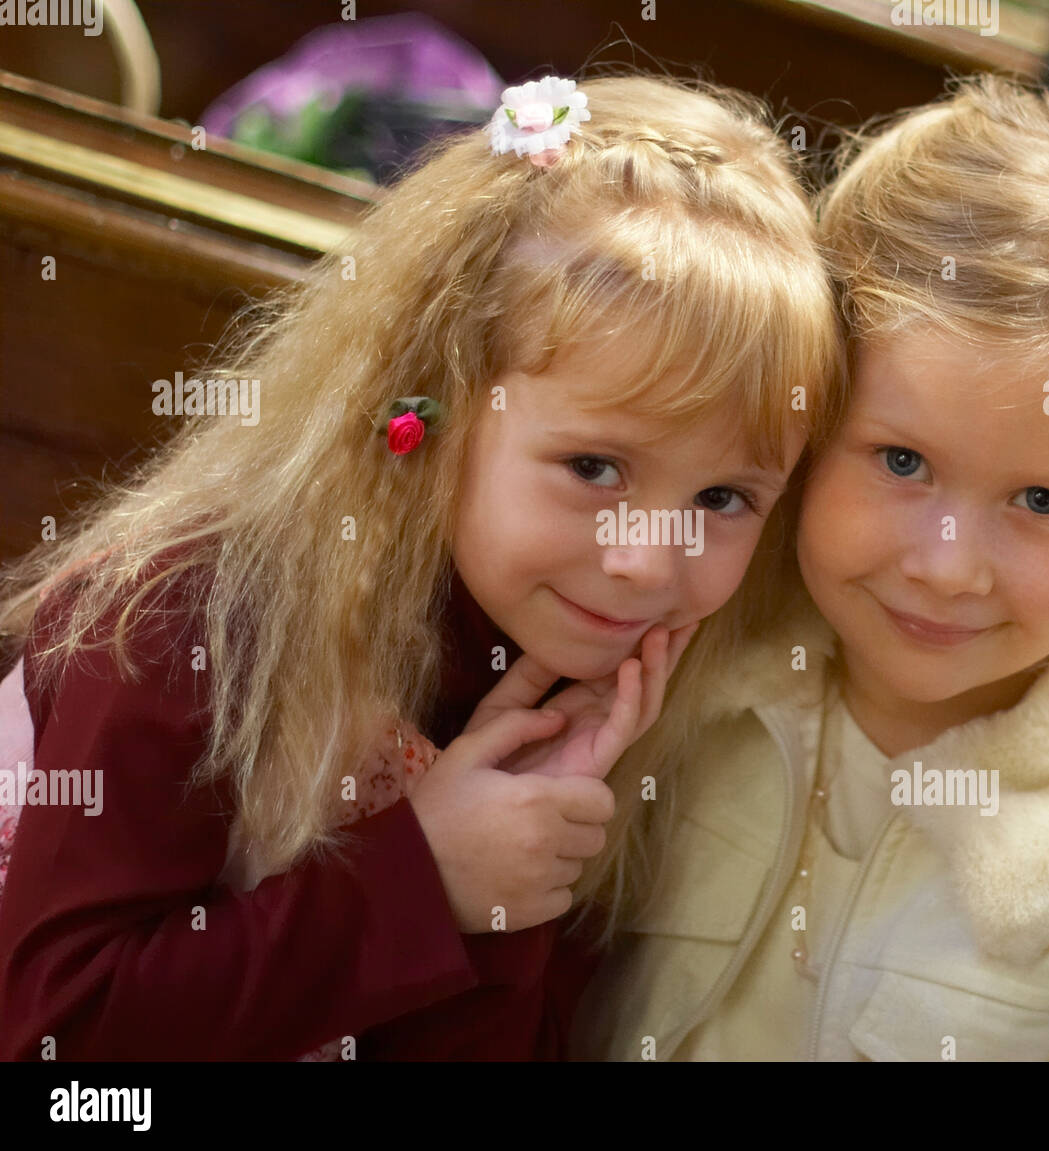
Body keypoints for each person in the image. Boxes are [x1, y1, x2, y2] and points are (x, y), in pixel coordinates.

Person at [0, 72, 842, 1061]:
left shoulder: (605, 678)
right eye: (592, 467)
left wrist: (507, 889)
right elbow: (58, 1037)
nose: (646, 561)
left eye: (723, 499)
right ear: (431, 405)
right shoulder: (190, 614)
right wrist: (422, 880)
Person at [570, 74, 1049, 1062]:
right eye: (901, 461)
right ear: (809, 422)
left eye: (1042, 502)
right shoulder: (656, 676)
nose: (949, 568)